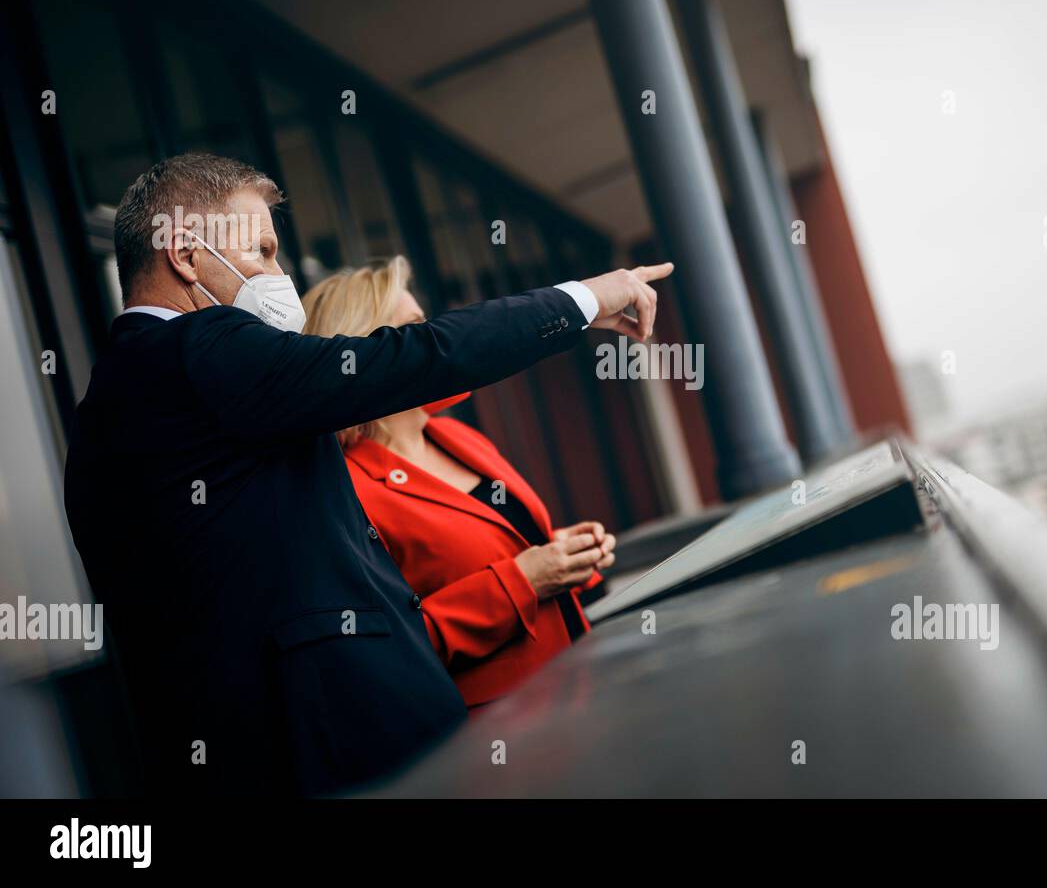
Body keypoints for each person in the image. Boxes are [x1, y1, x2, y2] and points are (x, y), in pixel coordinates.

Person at [62, 153, 672, 795]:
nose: (278, 274)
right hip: (338, 759)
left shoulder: (107, 411)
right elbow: (415, 360)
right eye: (263, 251)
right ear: (185, 256)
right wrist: (584, 300)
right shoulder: (199, 349)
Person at [302, 258, 613, 707]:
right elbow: (387, 649)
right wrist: (523, 580)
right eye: (414, 329)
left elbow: (488, 550)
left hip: (578, 687)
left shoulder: (454, 436)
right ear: (369, 355)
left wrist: (563, 555)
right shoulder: (345, 492)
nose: (437, 340)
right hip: (498, 735)